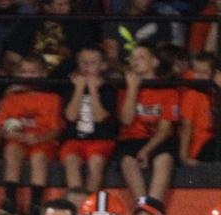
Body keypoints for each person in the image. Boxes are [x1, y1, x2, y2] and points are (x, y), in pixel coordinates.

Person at [0, 55, 62, 215]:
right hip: (18, 140)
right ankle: (10, 201)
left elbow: (56, 130)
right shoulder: (11, 98)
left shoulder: (52, 98)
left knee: (38, 157)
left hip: (42, 142)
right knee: (11, 149)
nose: (28, 76)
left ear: (42, 74)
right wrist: (12, 135)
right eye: (24, 72)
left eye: (33, 72)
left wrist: (39, 138)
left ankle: (35, 205)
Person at [117, 42, 177, 204]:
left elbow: (164, 130)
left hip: (157, 140)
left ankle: (154, 207)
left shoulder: (167, 90)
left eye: (141, 57)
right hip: (131, 140)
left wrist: (146, 150)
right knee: (128, 161)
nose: (135, 61)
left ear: (154, 62)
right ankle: (143, 206)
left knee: (164, 158)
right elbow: (126, 120)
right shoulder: (125, 89)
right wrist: (133, 89)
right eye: (133, 57)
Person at [59, 45, 117, 203]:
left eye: (92, 62)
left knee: (96, 161)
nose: (86, 66)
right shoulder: (71, 87)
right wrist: (78, 90)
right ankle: (75, 205)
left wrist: (92, 90)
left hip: (100, 139)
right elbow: (70, 116)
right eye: (83, 62)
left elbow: (100, 117)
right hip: (74, 139)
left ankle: (90, 206)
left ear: (103, 65)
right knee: (71, 160)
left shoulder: (108, 88)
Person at [179, 51, 217, 167]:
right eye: (197, 72)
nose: (200, 77)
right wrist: (184, 157)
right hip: (200, 149)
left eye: (204, 72)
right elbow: (187, 127)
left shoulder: (216, 94)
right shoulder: (192, 95)